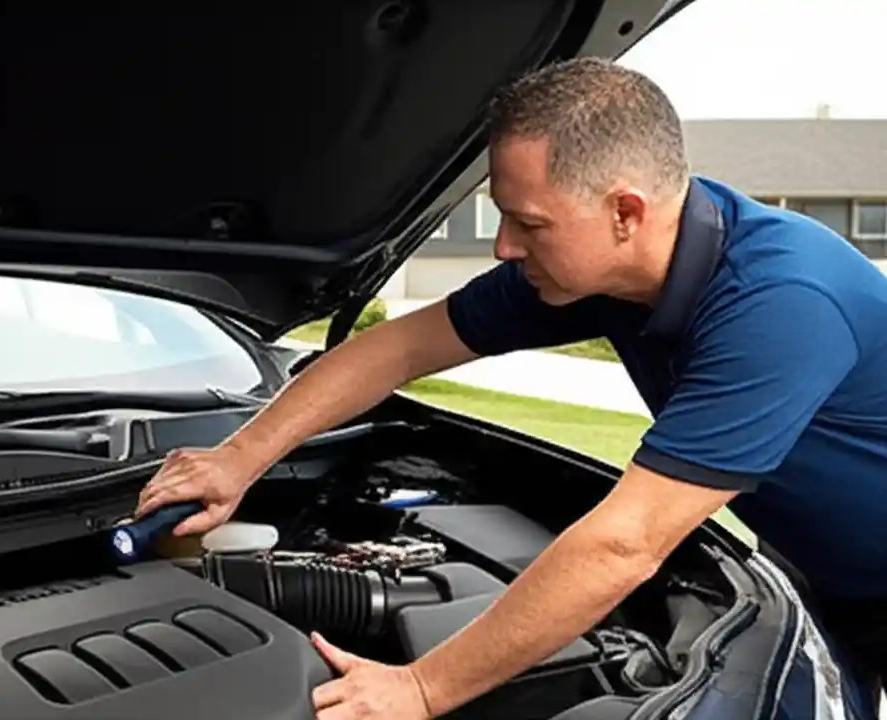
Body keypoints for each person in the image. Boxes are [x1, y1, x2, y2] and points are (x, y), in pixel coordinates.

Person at [134, 57, 887, 719]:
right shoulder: (596, 271)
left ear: (626, 211)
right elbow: (397, 347)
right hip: (817, 568)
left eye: (528, 223)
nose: (502, 246)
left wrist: (422, 689)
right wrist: (237, 459)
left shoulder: (779, 302)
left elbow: (625, 543)